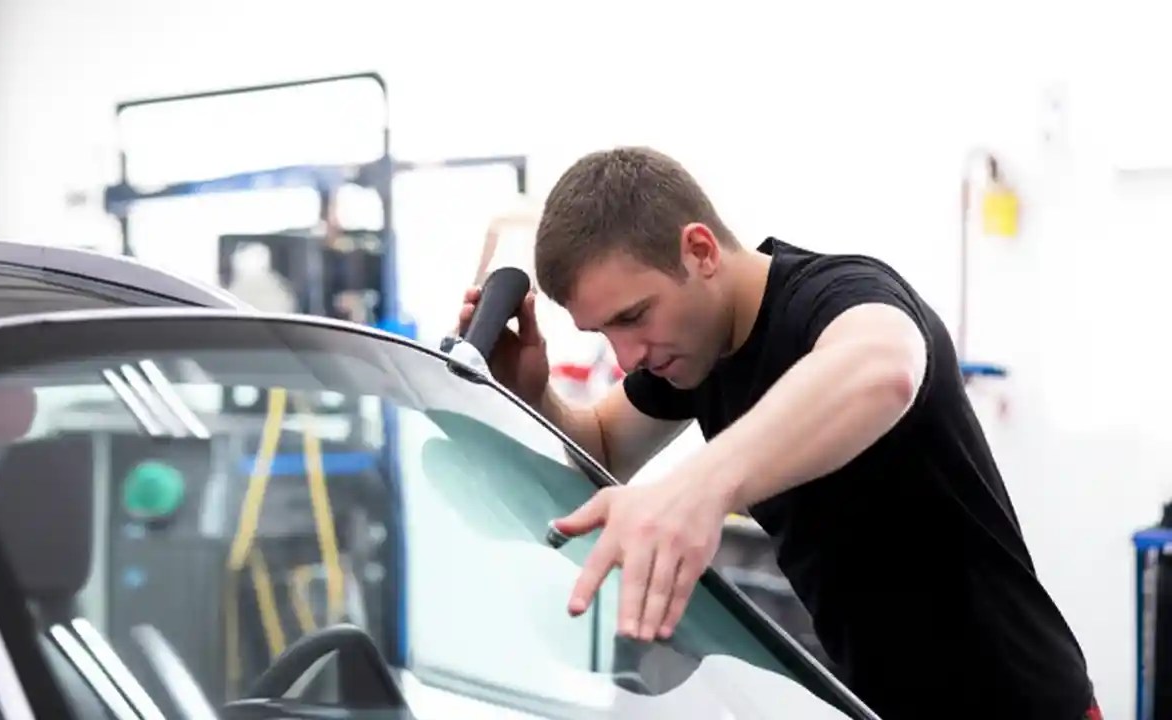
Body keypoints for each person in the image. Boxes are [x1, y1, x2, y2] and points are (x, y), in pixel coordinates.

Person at [455, 146, 1101, 719]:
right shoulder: (695, 353)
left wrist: (697, 488)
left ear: (700, 251)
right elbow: (599, 446)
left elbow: (884, 371)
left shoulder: (834, 295)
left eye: (635, 316)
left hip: (1019, 700)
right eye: (606, 335)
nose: (627, 358)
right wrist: (535, 392)